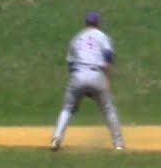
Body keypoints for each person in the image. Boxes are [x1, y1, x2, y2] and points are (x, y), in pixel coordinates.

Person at [50, 10, 125, 151]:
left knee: (68, 108)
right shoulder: (102, 36)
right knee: (108, 110)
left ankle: (56, 139)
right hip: (96, 74)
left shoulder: (76, 38)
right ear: (99, 23)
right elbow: (109, 59)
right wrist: (107, 80)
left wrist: (78, 84)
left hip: (77, 74)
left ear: (86, 23)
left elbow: (70, 65)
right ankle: (119, 144)